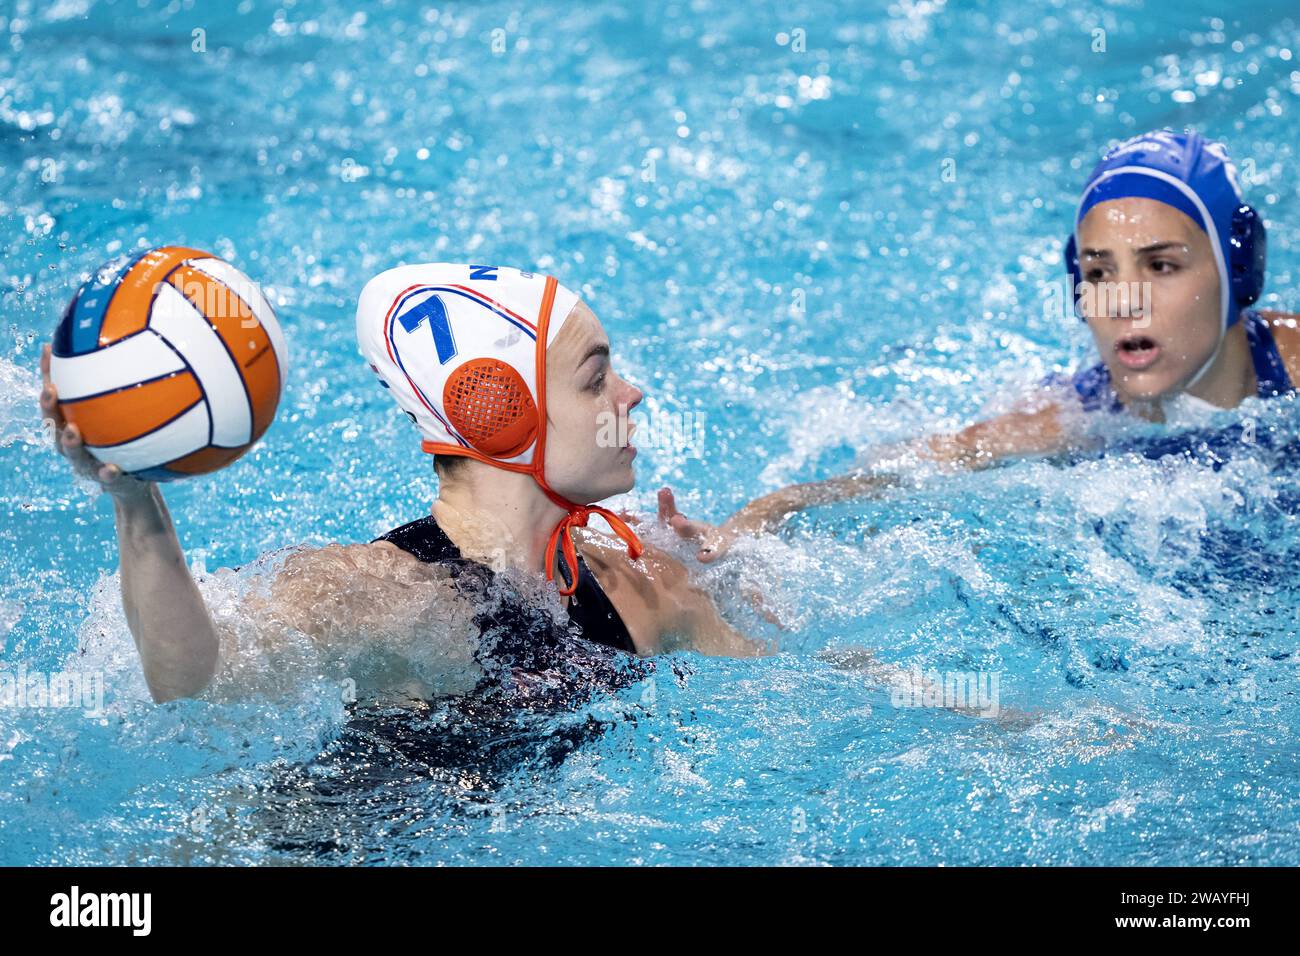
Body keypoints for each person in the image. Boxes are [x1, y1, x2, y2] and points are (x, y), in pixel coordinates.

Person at [39, 263, 770, 708]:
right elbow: (197, 687)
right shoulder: (393, 595)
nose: (631, 394)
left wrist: (739, 569)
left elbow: (800, 678)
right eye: (596, 377)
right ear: (498, 411)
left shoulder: (641, 581)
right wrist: (135, 501)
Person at [661, 129, 1300, 560]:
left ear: (1236, 271)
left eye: (1161, 266)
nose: (1122, 300)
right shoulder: (1076, 418)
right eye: (1100, 272)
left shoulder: (1292, 369)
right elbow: (915, 467)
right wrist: (766, 512)